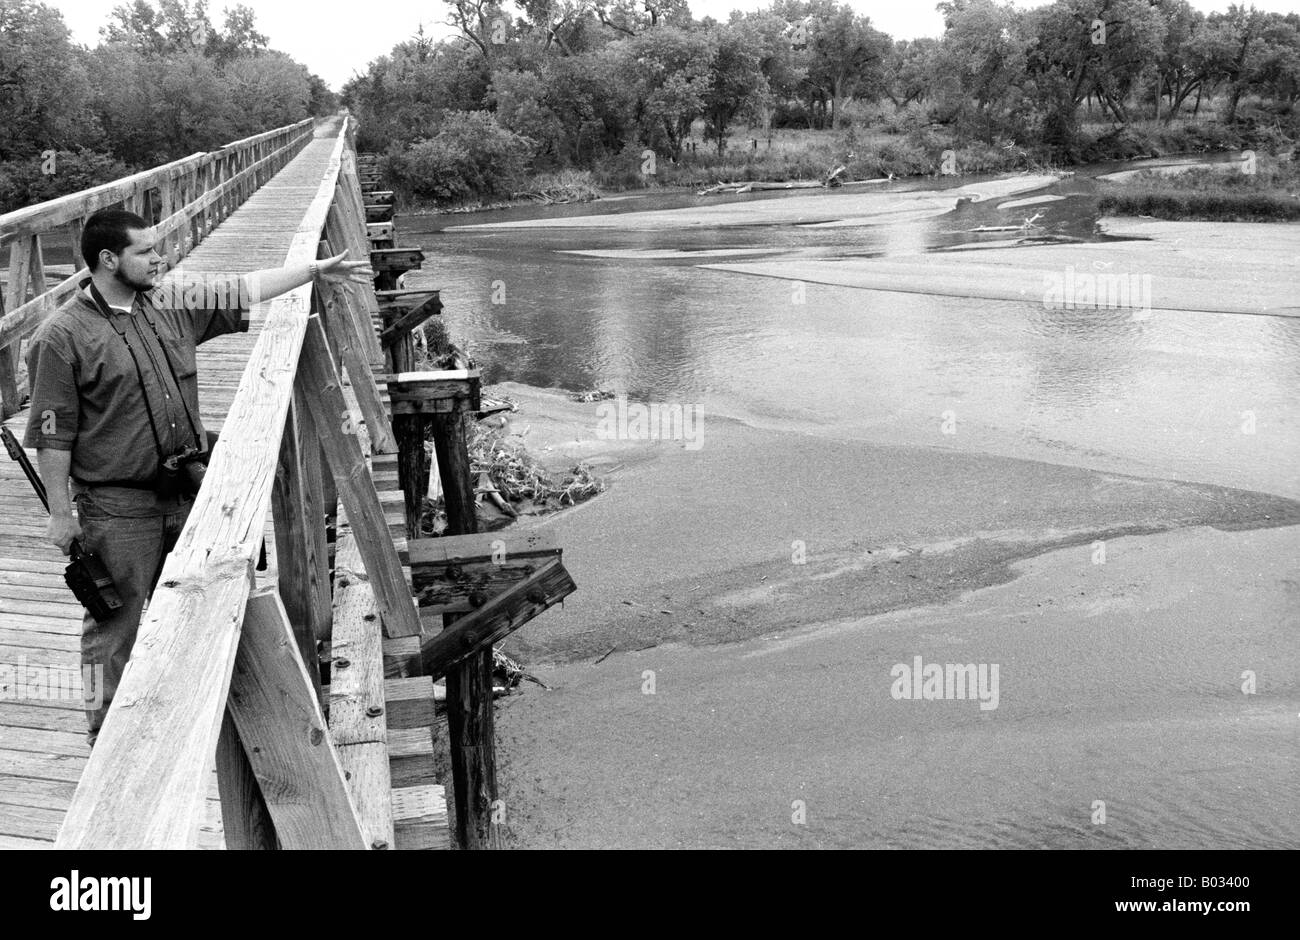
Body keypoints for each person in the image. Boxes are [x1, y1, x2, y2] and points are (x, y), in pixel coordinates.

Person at [22, 207, 371, 747]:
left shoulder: (170, 301)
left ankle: (185, 710)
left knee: (196, 599)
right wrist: (61, 517)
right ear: (108, 260)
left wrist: (313, 270)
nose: (159, 257)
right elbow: (52, 434)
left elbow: (242, 287)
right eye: (145, 250)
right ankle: (107, 736)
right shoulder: (61, 337)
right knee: (115, 621)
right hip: (118, 506)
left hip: (187, 488)